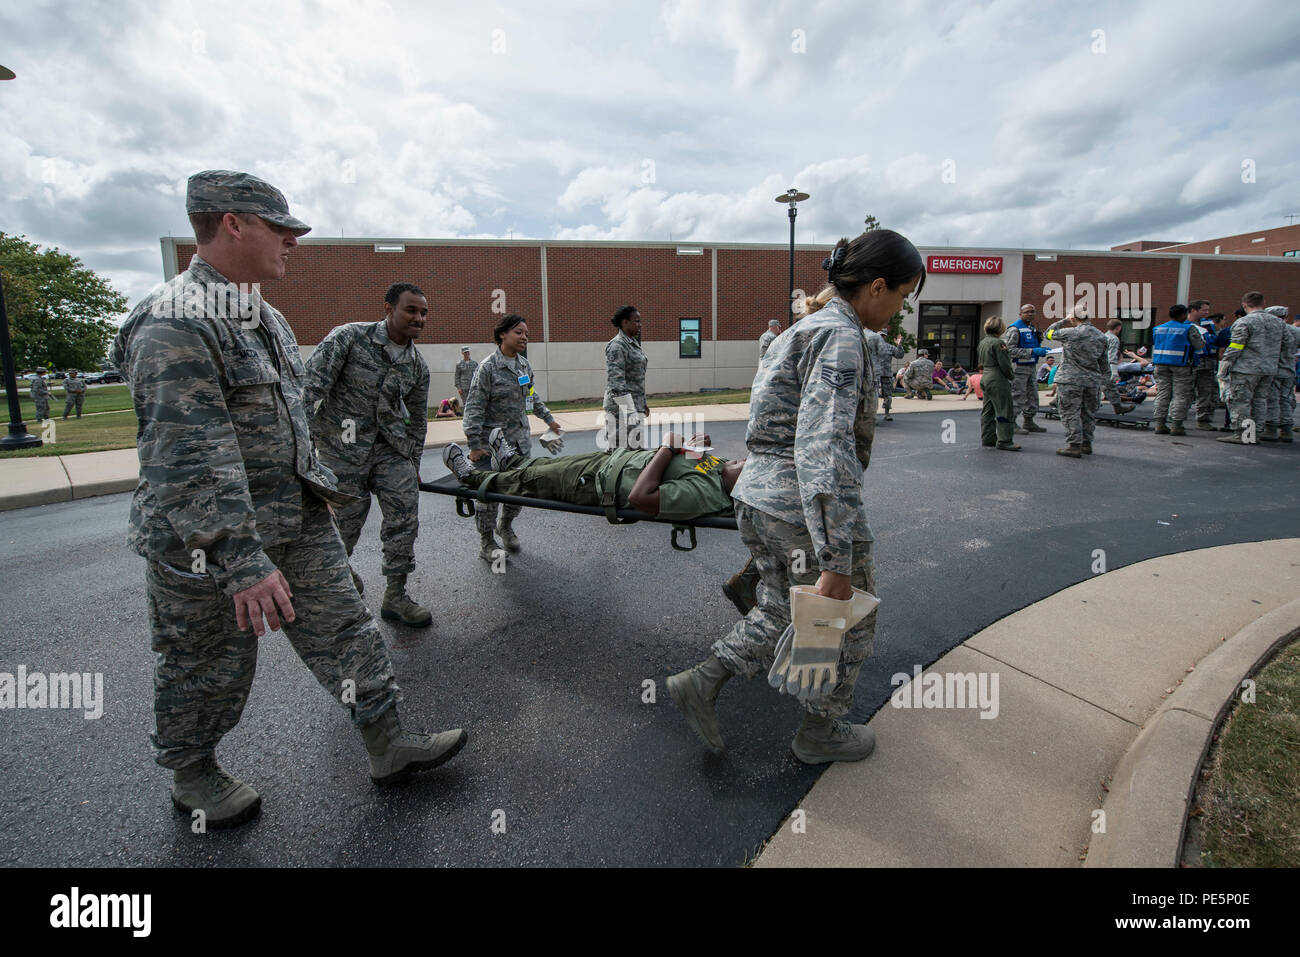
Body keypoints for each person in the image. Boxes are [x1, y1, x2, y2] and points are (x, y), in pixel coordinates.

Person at [109, 170, 465, 828]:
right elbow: (185, 456)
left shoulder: (262, 315)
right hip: (205, 545)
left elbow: (290, 414)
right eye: (282, 228)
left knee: (347, 629)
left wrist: (316, 485)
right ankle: (194, 772)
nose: (294, 240)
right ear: (233, 224)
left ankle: (388, 744)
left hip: (294, 519)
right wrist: (239, 558)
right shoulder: (174, 321)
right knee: (208, 660)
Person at [666, 228, 924, 765]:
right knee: (846, 615)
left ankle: (703, 680)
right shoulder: (843, 337)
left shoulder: (801, 331)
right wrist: (836, 556)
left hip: (760, 495)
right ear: (877, 286)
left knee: (784, 607)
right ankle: (820, 731)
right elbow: (823, 444)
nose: (900, 307)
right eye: (903, 295)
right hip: (802, 506)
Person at [302, 282, 433, 627]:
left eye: (423, 313)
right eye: (411, 310)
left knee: (404, 517)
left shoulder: (417, 366)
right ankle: (338, 584)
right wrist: (303, 455)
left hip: (390, 451)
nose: (418, 318)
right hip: (341, 451)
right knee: (342, 526)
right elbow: (309, 390)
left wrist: (412, 462)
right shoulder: (349, 338)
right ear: (388, 308)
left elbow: (417, 421)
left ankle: (396, 595)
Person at [443, 428, 740, 521]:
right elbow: (683, 458)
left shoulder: (706, 493)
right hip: (612, 461)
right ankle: (512, 460)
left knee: (529, 483)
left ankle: (472, 478)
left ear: (744, 486)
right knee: (545, 466)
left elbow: (641, 498)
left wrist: (666, 448)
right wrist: (697, 444)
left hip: (597, 484)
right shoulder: (719, 465)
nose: (740, 460)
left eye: (744, 467)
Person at [462, 312, 563, 559]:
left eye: (526, 334)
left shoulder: (523, 366)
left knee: (518, 490)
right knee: (488, 495)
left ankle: (505, 526)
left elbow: (530, 396)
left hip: (519, 442)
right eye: (518, 332)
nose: (524, 337)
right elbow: (473, 407)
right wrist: (474, 444)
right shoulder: (487, 368)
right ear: (502, 335)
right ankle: (487, 543)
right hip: (491, 445)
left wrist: (548, 418)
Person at [1218, 292, 1284, 445]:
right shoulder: (1278, 323)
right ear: (1264, 302)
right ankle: (1256, 433)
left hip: (1246, 369)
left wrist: (1224, 366)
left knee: (1241, 401)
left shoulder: (1244, 322)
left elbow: (1236, 346)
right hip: (1269, 368)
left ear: (1244, 305)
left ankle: (1243, 434)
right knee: (1260, 400)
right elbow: (1286, 346)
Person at [1045, 309, 1109, 457]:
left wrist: (1064, 321)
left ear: (1073, 318)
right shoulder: (1101, 336)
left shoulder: (1070, 332)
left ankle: (1074, 445)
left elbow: (1048, 333)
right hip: (1092, 381)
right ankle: (1087, 443)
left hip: (1070, 379)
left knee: (1069, 412)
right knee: (1088, 413)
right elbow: (1104, 363)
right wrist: (1103, 383)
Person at [1150, 304, 1205, 436]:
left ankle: (1159, 424)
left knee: (1163, 394)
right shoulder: (1188, 328)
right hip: (1181, 365)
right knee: (1180, 395)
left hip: (1160, 364)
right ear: (1183, 315)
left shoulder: (1158, 328)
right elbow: (1199, 345)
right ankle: (1176, 425)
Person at [603, 304, 648, 449]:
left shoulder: (632, 343)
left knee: (635, 451)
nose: (640, 325)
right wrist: (631, 413)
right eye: (636, 321)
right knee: (619, 451)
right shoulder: (617, 345)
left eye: (640, 321)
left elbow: (637, 378)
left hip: (634, 406)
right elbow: (617, 384)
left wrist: (642, 403)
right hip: (620, 411)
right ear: (625, 322)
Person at [1002, 303, 1050, 434]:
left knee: (1032, 396)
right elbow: (1010, 350)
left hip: (1031, 367)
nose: (1030, 314)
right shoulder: (1015, 329)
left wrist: (1039, 348)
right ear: (1020, 314)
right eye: (1027, 312)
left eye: (1032, 312)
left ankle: (1029, 421)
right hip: (1019, 368)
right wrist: (1032, 351)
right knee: (1018, 395)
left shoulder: (1031, 328)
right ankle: (1011, 423)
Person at [977, 316, 1020, 451]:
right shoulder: (999, 343)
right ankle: (1005, 440)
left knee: (988, 410)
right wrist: (1011, 376)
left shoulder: (983, 342)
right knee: (1004, 409)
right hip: (997, 377)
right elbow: (1005, 364)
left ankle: (988, 438)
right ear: (1000, 328)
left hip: (985, 376)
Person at [1264, 305, 1298, 443]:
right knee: (1286, 399)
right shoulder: (1295, 331)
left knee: (1272, 400)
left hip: (1274, 369)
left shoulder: (1271, 330)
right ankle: (1287, 430)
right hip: (1289, 370)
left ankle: (1271, 429)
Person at [1186, 299, 1219, 429]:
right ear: (1194, 310)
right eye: (1204, 310)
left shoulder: (1207, 324)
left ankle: (1203, 419)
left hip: (1207, 361)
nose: (1206, 313)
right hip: (1190, 361)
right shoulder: (1184, 324)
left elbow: (1213, 340)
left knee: (1207, 390)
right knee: (1185, 391)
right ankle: (1177, 418)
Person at [863, 328, 905, 420]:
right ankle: (873, 416)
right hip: (874, 373)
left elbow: (900, 355)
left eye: (883, 336)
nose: (881, 338)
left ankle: (887, 414)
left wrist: (899, 345)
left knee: (888, 395)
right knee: (873, 395)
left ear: (885, 337)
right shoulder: (870, 346)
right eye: (880, 335)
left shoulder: (889, 347)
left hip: (886, 374)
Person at [1101, 319, 1135, 415]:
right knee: (1110, 387)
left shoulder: (1102, 336)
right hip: (1107, 367)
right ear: (1118, 328)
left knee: (1100, 387)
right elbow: (1112, 355)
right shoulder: (1114, 339)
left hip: (1098, 365)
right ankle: (1118, 407)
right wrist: (1114, 371)